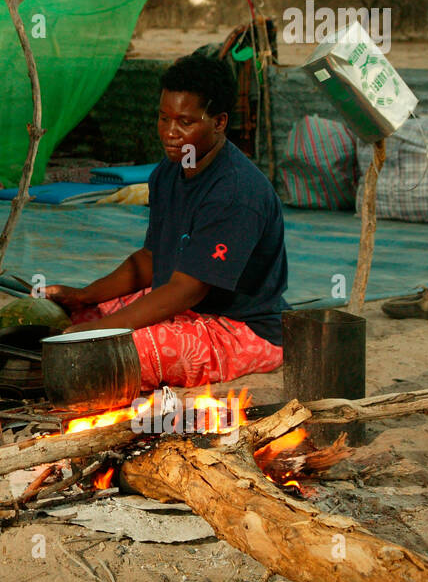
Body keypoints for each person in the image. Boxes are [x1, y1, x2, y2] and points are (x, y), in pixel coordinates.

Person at [45, 52, 288, 391]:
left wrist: (106, 330)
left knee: (108, 354)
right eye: (163, 118)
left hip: (238, 327)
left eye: (185, 122)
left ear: (219, 122)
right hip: (186, 306)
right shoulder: (169, 171)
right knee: (63, 321)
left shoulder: (235, 192)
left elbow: (188, 289)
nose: (170, 133)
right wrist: (84, 296)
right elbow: (150, 260)